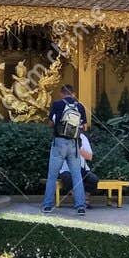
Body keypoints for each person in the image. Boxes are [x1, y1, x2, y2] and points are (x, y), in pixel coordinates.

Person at [41, 84, 88, 214]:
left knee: (52, 175)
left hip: (59, 143)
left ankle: (47, 206)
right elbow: (85, 127)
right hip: (74, 144)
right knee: (77, 176)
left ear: (62, 94)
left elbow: (50, 124)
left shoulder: (57, 104)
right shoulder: (80, 106)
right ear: (73, 93)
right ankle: (80, 207)